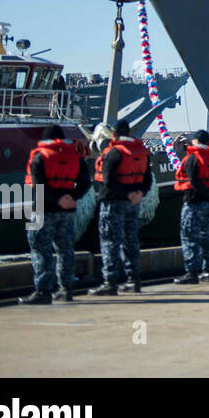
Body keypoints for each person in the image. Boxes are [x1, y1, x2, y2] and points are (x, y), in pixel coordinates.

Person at [19, 125, 91, 305]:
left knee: (40, 249)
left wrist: (58, 199)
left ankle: (42, 291)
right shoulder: (76, 157)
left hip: (44, 208)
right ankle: (65, 290)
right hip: (68, 211)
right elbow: (85, 183)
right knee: (65, 249)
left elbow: (38, 185)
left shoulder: (40, 157)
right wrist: (71, 197)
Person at [88, 120, 152, 295]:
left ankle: (110, 282)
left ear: (114, 134)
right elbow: (147, 179)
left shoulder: (113, 153)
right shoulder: (142, 152)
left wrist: (125, 195)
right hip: (134, 204)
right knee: (131, 240)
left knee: (110, 241)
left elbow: (109, 181)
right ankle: (133, 280)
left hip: (113, 203)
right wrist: (138, 194)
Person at [173, 130, 209, 284]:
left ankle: (191, 272)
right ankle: (208, 271)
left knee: (189, 237)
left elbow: (193, 180)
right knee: (206, 236)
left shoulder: (192, 158)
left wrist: (207, 194)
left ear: (195, 141)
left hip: (193, 202)